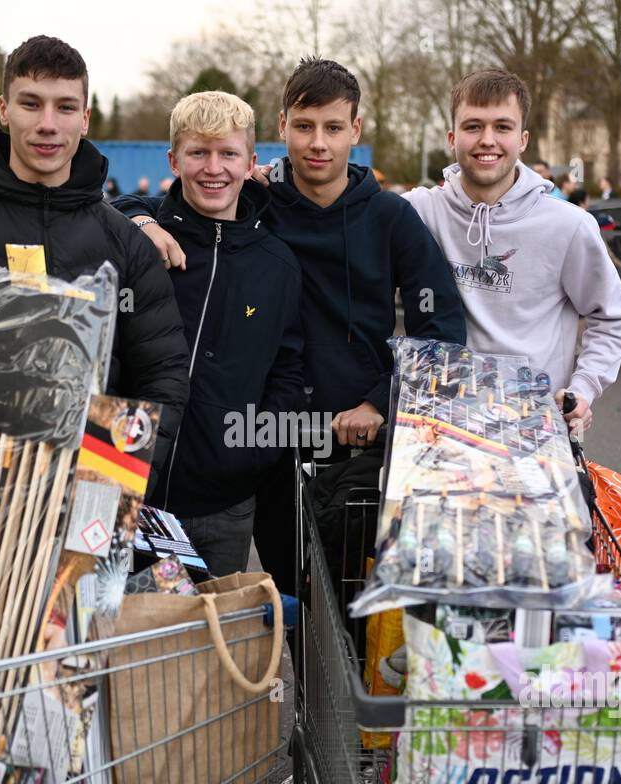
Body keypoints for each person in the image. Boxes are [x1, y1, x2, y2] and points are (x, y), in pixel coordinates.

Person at [126, 57, 466, 593]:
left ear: (355, 131)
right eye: (304, 127)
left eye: (334, 128)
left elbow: (441, 327)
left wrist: (379, 402)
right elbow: (164, 205)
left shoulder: (391, 219)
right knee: (274, 596)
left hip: (348, 443)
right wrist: (139, 218)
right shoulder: (259, 200)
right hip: (262, 443)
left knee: (340, 601)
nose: (318, 144)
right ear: (283, 126)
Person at [0, 35, 189, 482]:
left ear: (85, 119)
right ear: (4, 110)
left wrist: (111, 477)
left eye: (65, 107)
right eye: (31, 104)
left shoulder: (123, 241)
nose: (48, 124)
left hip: (81, 498)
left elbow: (162, 375)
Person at [110, 91, 304, 577]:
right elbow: (87, 207)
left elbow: (288, 372)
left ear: (251, 162)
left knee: (210, 645)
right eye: (198, 153)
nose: (212, 168)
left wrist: (248, 455)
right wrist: (137, 220)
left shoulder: (276, 265)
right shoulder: (141, 240)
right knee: (120, 642)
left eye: (228, 154)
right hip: (124, 490)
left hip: (223, 504)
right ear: (174, 160)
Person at [399, 69, 621, 435]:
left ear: (523, 139)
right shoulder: (419, 211)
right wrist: (277, 180)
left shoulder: (568, 225)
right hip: (440, 425)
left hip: (534, 431)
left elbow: (612, 319)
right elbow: (348, 208)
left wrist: (583, 388)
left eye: (502, 127)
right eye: (473, 126)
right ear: (451, 137)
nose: (487, 140)